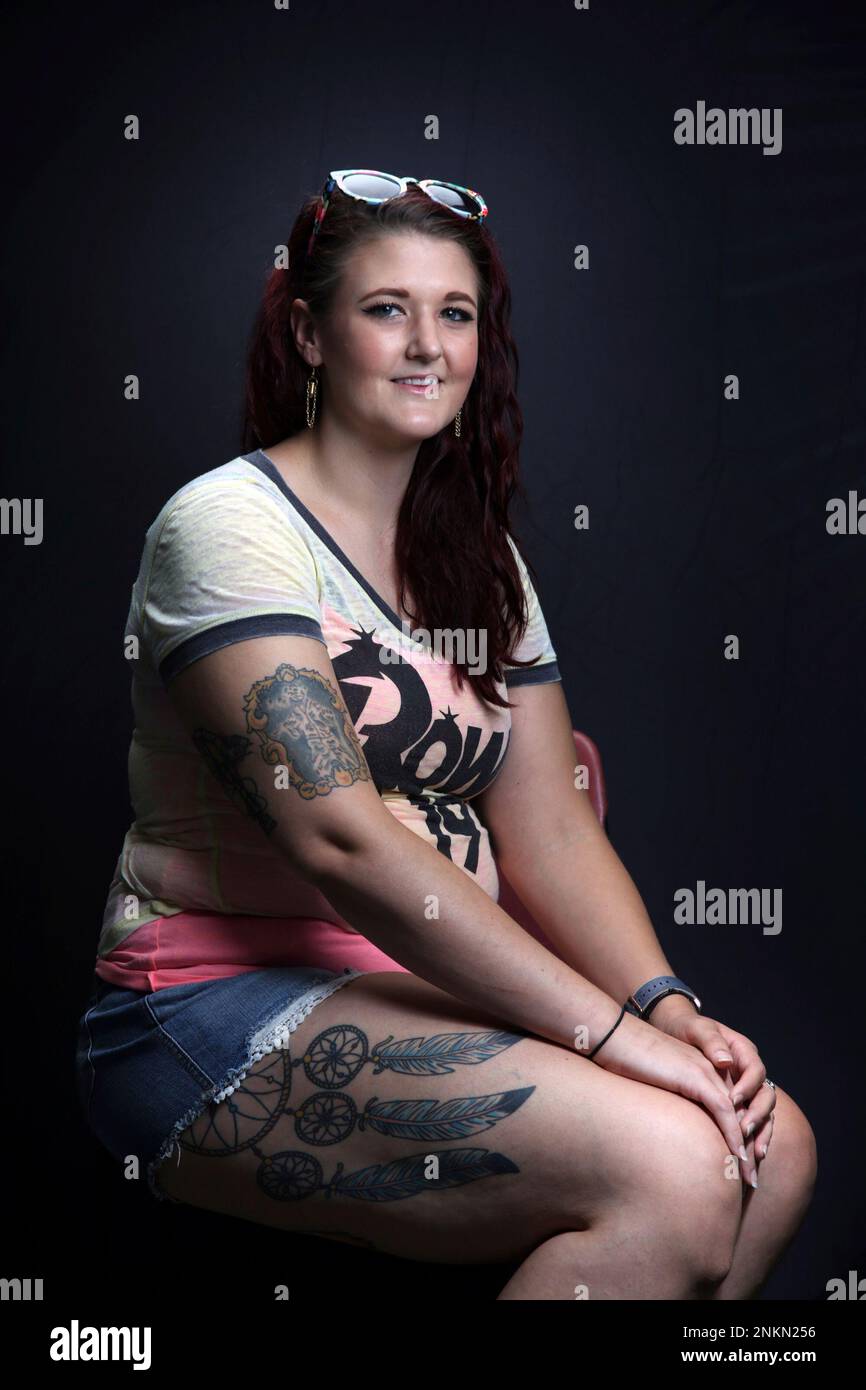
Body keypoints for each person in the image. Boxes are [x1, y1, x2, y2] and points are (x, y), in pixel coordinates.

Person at [74, 170, 816, 1299]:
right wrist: (616, 1042)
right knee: (678, 1164)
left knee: (773, 1149)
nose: (426, 344)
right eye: (385, 309)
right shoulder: (226, 524)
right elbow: (343, 842)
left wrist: (667, 1008)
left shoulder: (479, 558)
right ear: (308, 334)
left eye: (454, 313)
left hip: (413, 986)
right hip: (205, 1006)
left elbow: (549, 825)